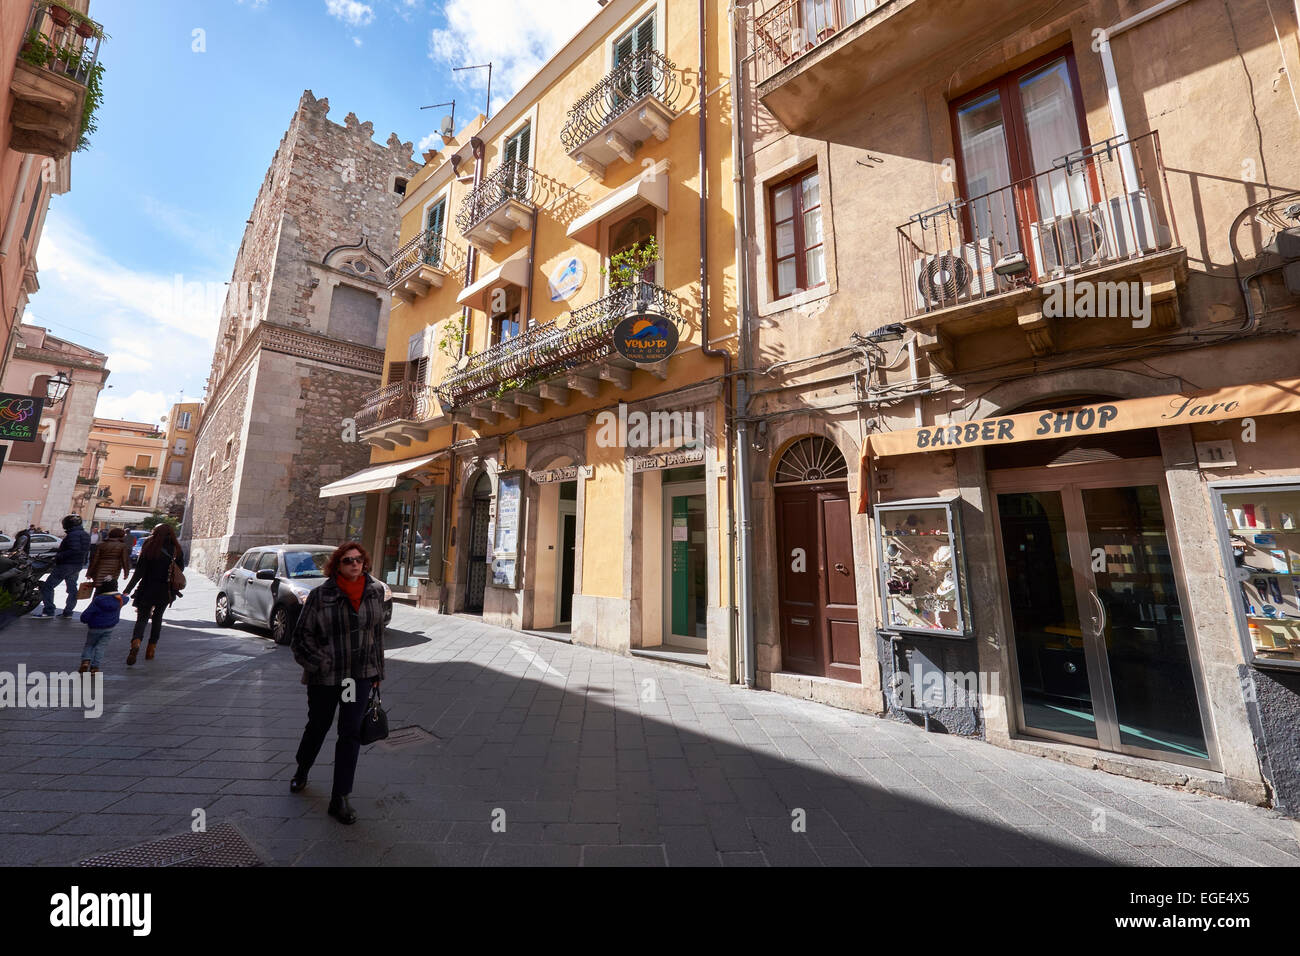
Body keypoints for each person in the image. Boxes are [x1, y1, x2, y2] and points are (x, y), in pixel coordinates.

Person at [289, 541, 386, 825]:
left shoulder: (375, 591)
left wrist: (377, 673)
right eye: (347, 560)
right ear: (337, 565)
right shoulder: (322, 595)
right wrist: (320, 662)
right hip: (327, 677)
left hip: (358, 676)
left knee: (350, 733)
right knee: (318, 726)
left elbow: (377, 634)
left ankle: (340, 797)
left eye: (358, 559)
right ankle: (302, 768)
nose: (354, 564)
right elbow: (300, 637)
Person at [122, 523, 185, 665]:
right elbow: (180, 569)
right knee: (157, 618)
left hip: (147, 587)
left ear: (155, 532)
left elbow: (139, 571)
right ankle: (151, 649)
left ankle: (136, 642)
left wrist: (128, 589)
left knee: (142, 618)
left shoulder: (149, 545)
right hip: (165, 589)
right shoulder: (176, 548)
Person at [35, 515, 91, 619]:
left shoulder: (73, 535)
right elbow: (83, 551)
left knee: (48, 587)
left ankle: (49, 611)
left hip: (66, 564)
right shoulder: (85, 534)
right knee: (72, 589)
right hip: (77, 565)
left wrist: (58, 556)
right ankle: (68, 612)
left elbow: (74, 549)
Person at [79, 578, 125, 674]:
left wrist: (84, 620)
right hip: (109, 628)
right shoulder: (119, 599)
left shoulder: (98, 600)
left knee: (90, 644)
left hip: (94, 627)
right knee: (101, 647)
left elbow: (87, 614)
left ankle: (86, 661)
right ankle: (95, 667)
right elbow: (126, 598)